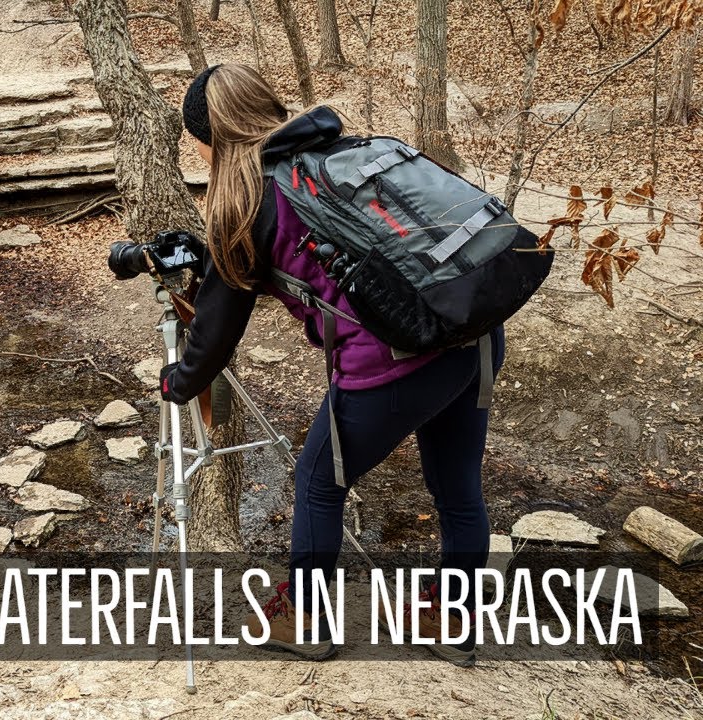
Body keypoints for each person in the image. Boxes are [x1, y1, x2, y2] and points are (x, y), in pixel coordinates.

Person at [158, 64, 505, 666]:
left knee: (319, 482)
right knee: (457, 490)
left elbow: (214, 338)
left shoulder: (248, 202)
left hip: (396, 364)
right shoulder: (346, 153)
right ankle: (452, 625)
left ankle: (305, 621)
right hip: (473, 334)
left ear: (213, 140)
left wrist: (178, 381)